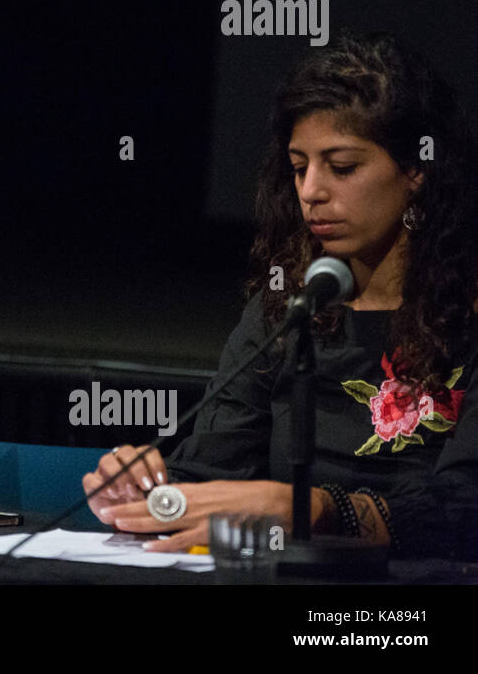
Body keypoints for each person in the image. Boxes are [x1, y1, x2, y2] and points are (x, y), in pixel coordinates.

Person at [82, 34, 478, 559]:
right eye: (298, 167)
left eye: (341, 167)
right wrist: (149, 492)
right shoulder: (293, 305)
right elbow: (208, 474)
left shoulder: (467, 315)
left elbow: (465, 511)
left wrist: (309, 507)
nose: (311, 190)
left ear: (417, 171)